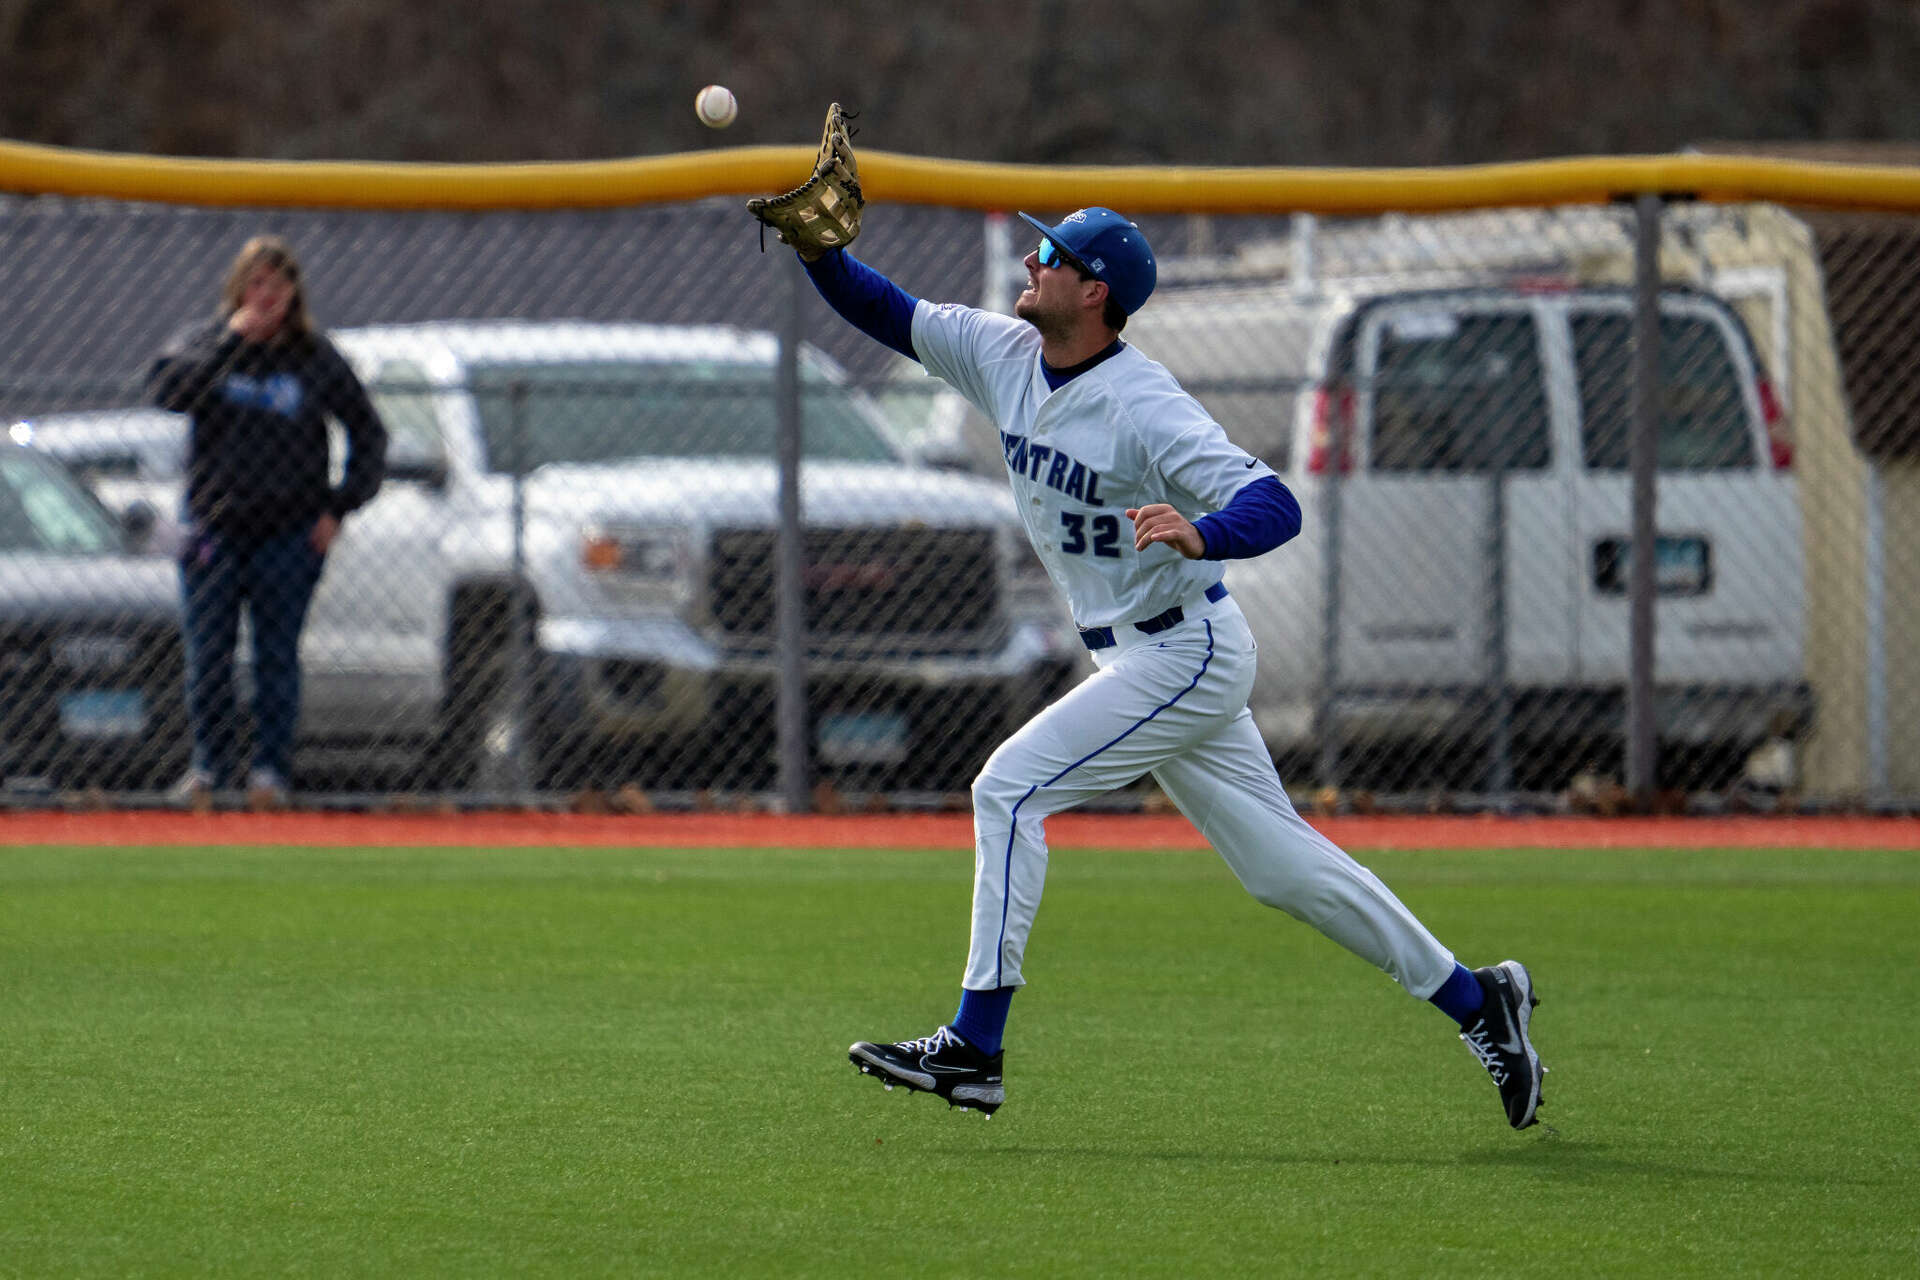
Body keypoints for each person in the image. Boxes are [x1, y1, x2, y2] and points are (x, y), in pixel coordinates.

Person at [778, 201, 1549, 1129]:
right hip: (1143, 654)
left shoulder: (1144, 404)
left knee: (1008, 790)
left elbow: (1275, 504)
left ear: (1094, 291)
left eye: (1051, 253)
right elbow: (885, 311)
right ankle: (1480, 1002)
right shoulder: (1002, 352)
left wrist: (1202, 530)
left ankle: (976, 1047)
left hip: (1183, 648)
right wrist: (822, 251)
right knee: (1280, 870)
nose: (1031, 258)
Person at [148, 235, 387, 810]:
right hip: (214, 528)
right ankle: (209, 769)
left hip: (288, 532)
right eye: (256, 284)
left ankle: (270, 773)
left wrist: (338, 506)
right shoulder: (205, 343)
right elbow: (168, 393)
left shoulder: (314, 358)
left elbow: (369, 434)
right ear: (238, 290)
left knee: (276, 656)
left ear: (293, 295)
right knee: (208, 654)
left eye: (278, 287)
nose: (267, 296)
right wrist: (231, 342)